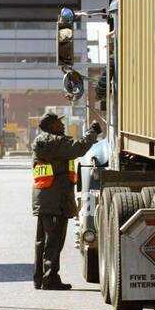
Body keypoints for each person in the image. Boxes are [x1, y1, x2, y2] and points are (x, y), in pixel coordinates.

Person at [31, 112, 102, 290]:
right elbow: (78, 148)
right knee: (53, 242)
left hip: (46, 198)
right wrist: (92, 132)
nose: (62, 126)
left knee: (43, 241)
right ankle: (50, 278)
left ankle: (39, 278)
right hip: (55, 200)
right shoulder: (53, 142)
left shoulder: (45, 142)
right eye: (58, 123)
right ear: (51, 126)